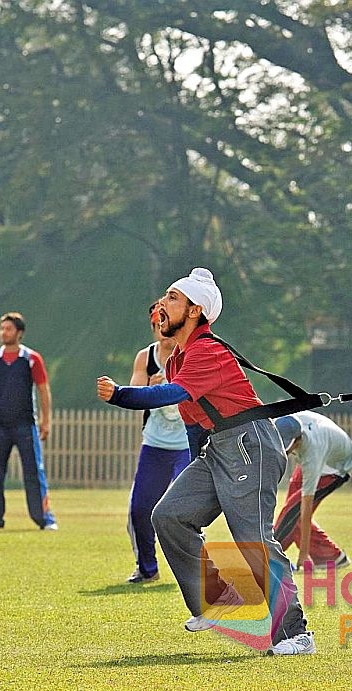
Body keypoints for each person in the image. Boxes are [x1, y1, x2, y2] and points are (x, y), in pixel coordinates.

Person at [97, 266, 315, 656]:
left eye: (172, 298)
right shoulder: (178, 359)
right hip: (216, 449)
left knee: (253, 540)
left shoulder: (206, 351)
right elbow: (192, 422)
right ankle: (216, 600)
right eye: (164, 297)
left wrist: (120, 395)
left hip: (251, 445)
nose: (162, 305)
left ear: (196, 311)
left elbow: (167, 395)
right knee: (169, 516)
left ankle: (295, 634)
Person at [0, 312, 58, 532]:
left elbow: (43, 390)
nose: (3, 333)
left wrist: (46, 421)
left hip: (25, 424)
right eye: (2, 329)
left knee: (33, 471)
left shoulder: (31, 359)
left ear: (19, 333)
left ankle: (44, 518)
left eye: (8, 329)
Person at [125, 328, 193, 583]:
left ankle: (193, 569)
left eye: (168, 321)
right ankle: (147, 569)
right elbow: (133, 394)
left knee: (185, 506)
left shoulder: (191, 355)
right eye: (158, 323)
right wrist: (148, 389)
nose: (165, 329)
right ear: (153, 327)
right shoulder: (146, 357)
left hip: (187, 444)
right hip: (154, 445)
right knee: (140, 509)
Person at [273, 411, 352, 571]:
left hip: (335, 468)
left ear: (298, 440)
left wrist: (303, 556)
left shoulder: (313, 451)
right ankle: (331, 557)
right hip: (322, 455)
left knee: (295, 511)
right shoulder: (280, 423)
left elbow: (305, 510)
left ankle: (269, 556)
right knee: (292, 512)